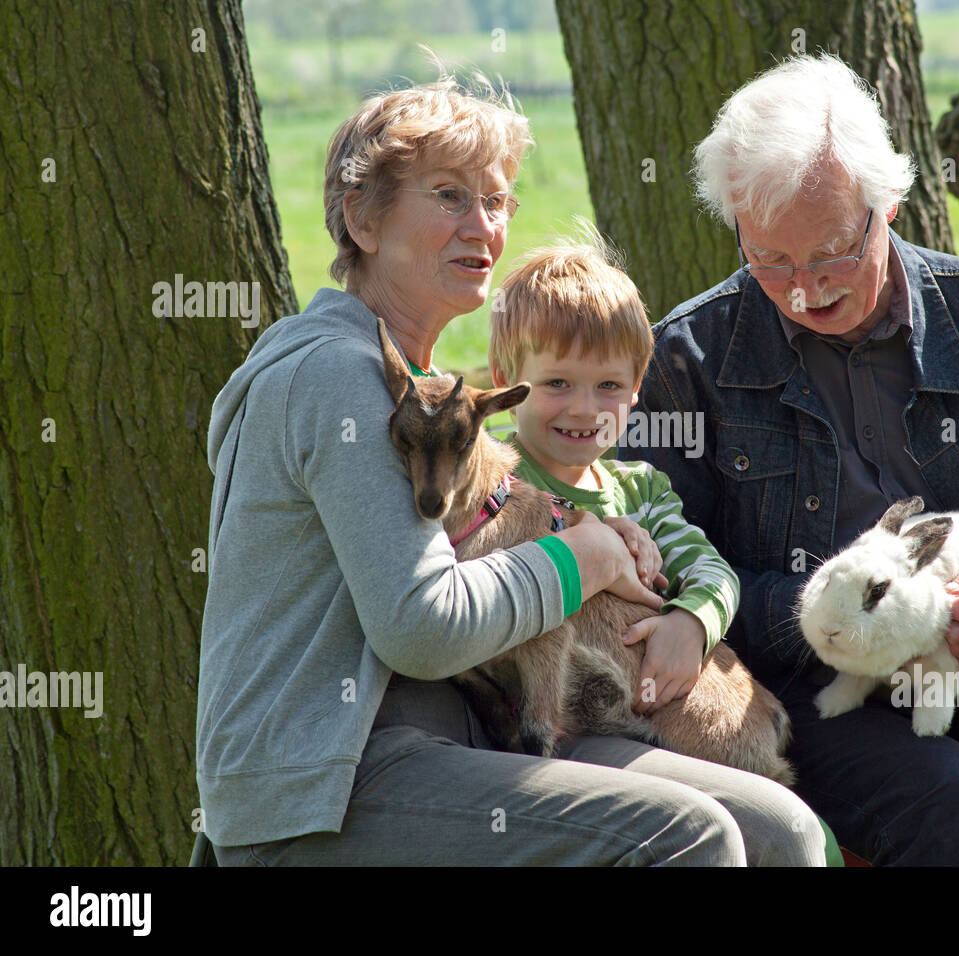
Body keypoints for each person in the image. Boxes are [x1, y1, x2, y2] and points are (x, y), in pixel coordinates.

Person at [195, 74, 824, 866]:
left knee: (784, 831)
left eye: (497, 204)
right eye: (452, 196)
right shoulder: (335, 375)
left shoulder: (412, 382)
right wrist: (585, 557)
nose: (484, 227)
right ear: (361, 217)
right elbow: (422, 630)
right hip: (324, 783)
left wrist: (591, 533)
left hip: (461, 735)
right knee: (689, 839)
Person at [633, 54, 959, 865]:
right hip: (806, 690)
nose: (804, 289)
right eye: (769, 260)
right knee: (950, 797)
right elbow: (665, 574)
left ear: (891, 206)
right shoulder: (688, 360)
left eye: (833, 254)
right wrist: (834, 617)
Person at [488, 235, 842, 864]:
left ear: (636, 386)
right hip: (560, 717)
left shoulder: (640, 489)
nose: (583, 409)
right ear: (503, 383)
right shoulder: (498, 477)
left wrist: (690, 620)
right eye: (557, 383)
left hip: (655, 708)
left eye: (608, 386)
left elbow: (711, 571)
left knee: (784, 824)